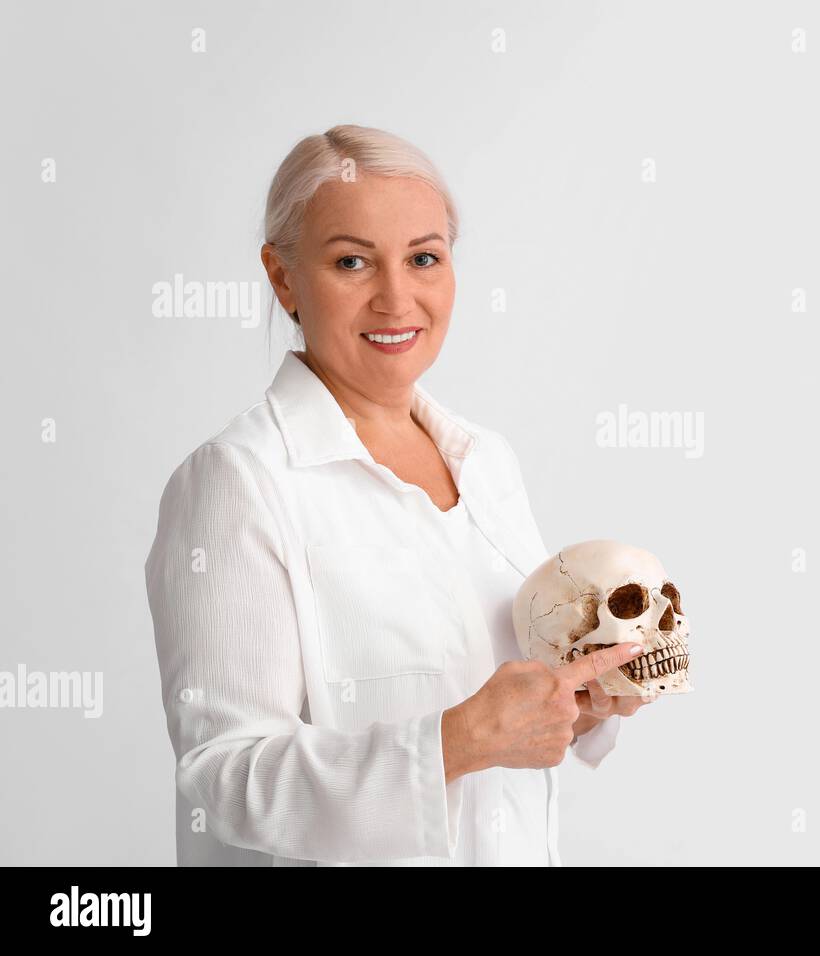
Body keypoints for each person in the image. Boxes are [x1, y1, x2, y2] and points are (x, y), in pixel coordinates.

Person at [143, 124, 654, 866]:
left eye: (424, 258)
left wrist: (580, 702)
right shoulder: (238, 483)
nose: (397, 297)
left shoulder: (488, 464)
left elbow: (504, 697)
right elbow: (224, 782)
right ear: (283, 278)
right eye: (352, 261)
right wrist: (457, 742)